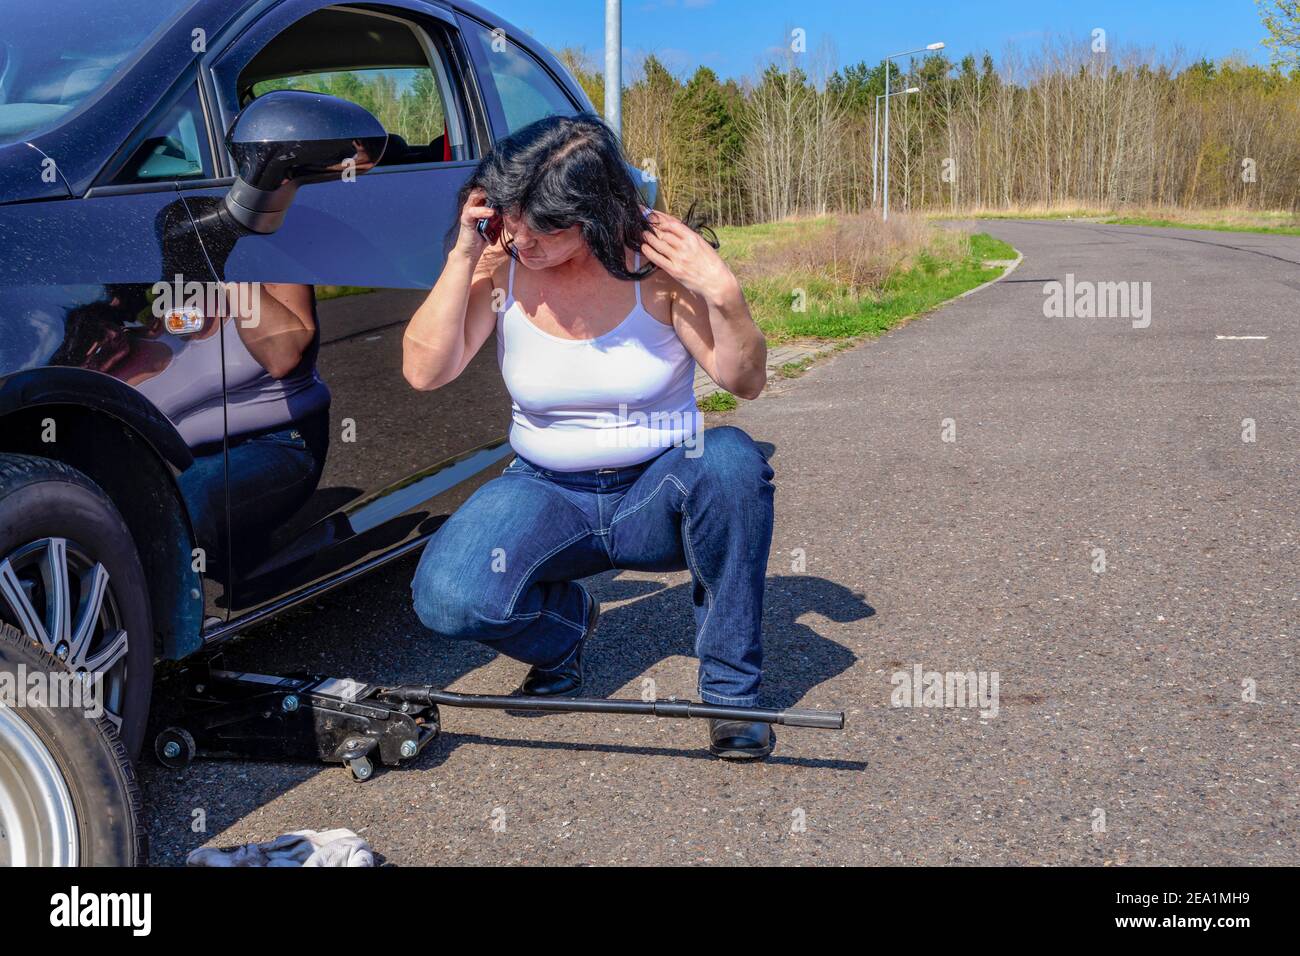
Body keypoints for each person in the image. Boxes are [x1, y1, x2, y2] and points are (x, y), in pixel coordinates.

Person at [403, 113, 776, 759]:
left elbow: (744, 381)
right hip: (547, 490)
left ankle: (732, 696)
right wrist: (463, 256)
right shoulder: (499, 264)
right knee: (448, 598)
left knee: (731, 462)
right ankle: (565, 630)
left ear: (595, 212)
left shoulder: (657, 266)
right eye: (510, 215)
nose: (522, 237)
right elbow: (424, 371)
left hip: (657, 492)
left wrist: (724, 292)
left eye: (545, 225)